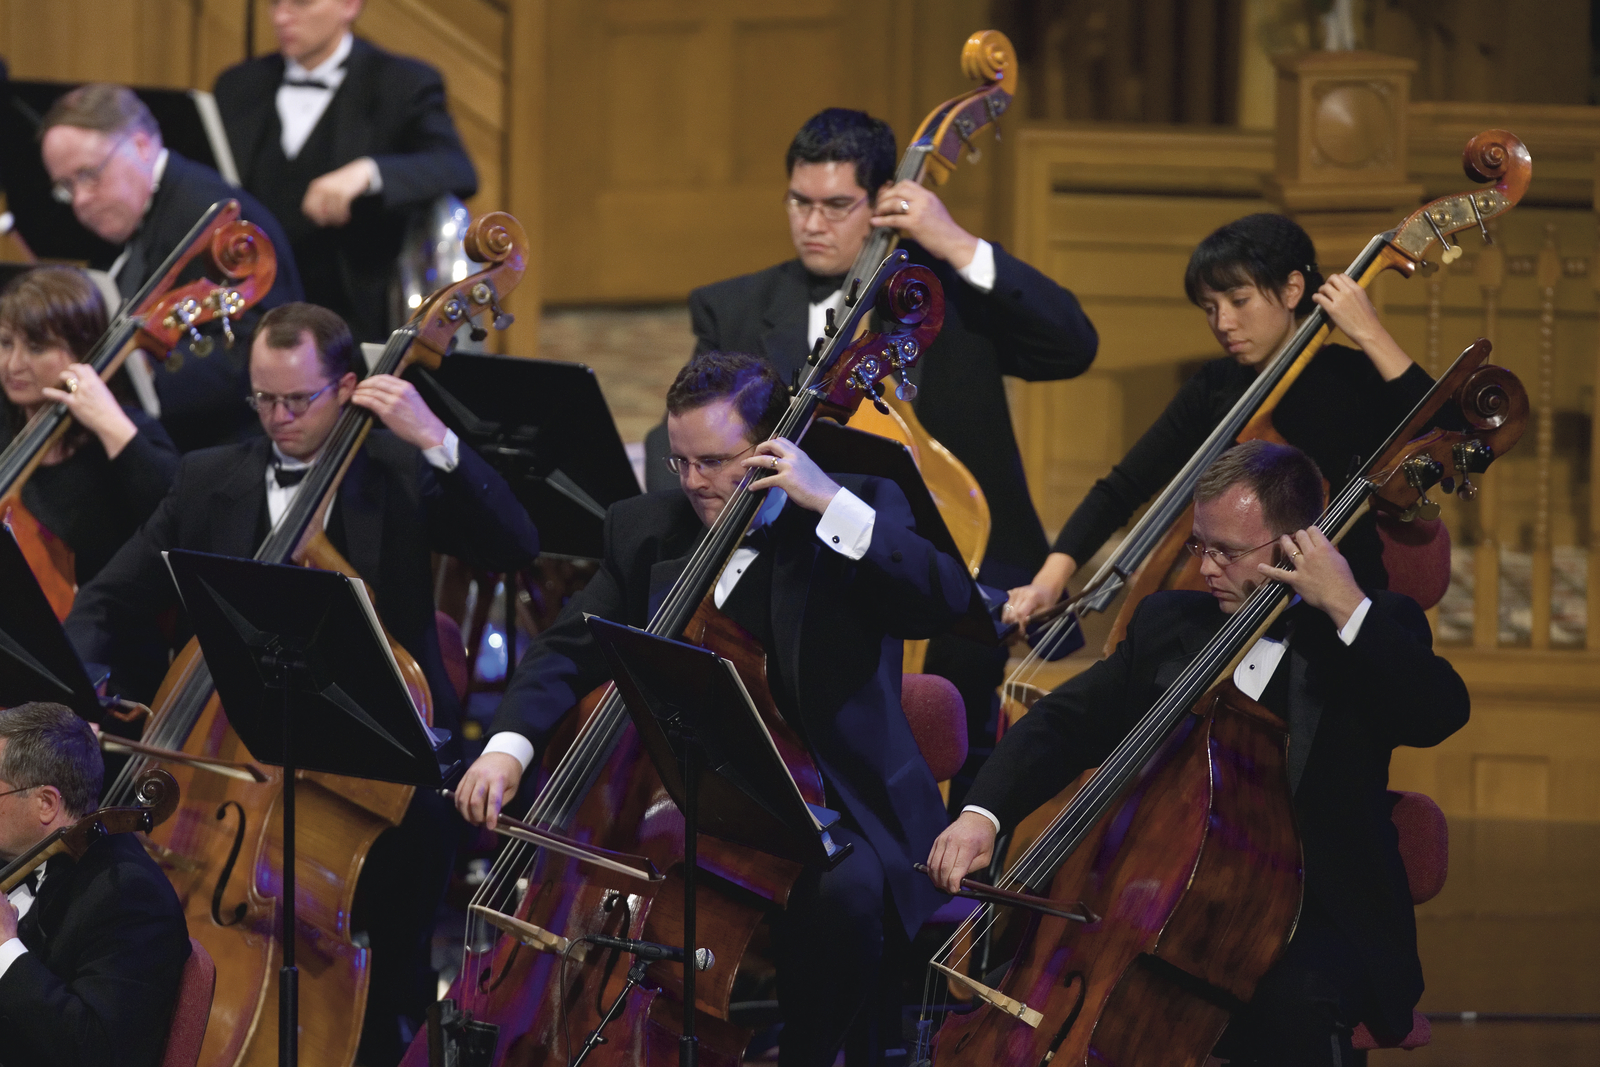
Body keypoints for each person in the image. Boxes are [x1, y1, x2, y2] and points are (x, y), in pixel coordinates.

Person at [456, 350, 978, 1067]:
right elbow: (568, 647)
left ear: (771, 449)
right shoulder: (645, 526)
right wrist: (505, 747)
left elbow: (947, 600)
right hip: (693, 802)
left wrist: (828, 500)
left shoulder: (855, 506)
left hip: (832, 806)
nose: (695, 482)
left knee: (849, 893)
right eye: (679, 461)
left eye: (713, 461)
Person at [63, 301, 540, 1065]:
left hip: (380, 767)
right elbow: (109, 599)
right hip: (236, 767)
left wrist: (437, 438)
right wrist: (73, 700)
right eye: (262, 399)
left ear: (348, 386)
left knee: (402, 922)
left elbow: (517, 542)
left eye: (297, 400)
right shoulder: (208, 476)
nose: (277, 418)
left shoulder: (399, 470)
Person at [929, 441, 1471, 1065]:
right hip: (1165, 902)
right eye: (1199, 545)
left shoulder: (1363, 631)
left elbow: (1439, 711)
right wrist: (983, 815)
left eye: (1229, 552)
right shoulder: (1170, 623)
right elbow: (1065, 722)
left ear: (1297, 545)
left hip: (1307, 914)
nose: (1207, 567)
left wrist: (1346, 604)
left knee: (1293, 1005)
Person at [661, 107, 1099, 802]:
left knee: (962, 701)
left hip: (960, 565)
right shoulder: (736, 307)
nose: (813, 222)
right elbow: (691, 433)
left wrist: (953, 243)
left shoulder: (938, 292)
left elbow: (1073, 345)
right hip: (798, 577)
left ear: (883, 203)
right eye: (800, 203)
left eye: (837, 206)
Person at [1005, 212, 1435, 626]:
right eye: (1210, 307)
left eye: (1239, 300)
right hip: (1222, 609)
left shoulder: (1351, 377)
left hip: (1333, 604)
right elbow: (1123, 488)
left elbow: (1448, 430)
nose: (1223, 322)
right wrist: (1049, 582)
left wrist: (1370, 332)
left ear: (1292, 290)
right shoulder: (1216, 385)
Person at [39, 83, 304, 452]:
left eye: (89, 174)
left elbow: (254, 354)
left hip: (222, 450)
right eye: (66, 187)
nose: (80, 199)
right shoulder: (135, 207)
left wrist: (133, 386)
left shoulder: (215, 222)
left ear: (142, 145)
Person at [213, 0, 478, 344]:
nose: (280, 17)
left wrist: (370, 172)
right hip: (250, 305)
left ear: (350, 5)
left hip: (354, 312)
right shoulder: (237, 85)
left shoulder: (402, 82)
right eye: (274, 3)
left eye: (301, 3)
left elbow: (457, 168)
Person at [0, 701, 192, 1067]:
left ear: (46, 803)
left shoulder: (130, 898)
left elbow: (95, 1049)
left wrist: (5, 947)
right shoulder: (17, 848)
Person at [0, 265, 179, 587]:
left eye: (36, 348)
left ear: (82, 349)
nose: (12, 364)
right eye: (5, 343)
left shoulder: (123, 429)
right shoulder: (5, 423)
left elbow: (177, 518)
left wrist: (112, 427)